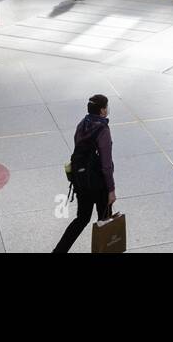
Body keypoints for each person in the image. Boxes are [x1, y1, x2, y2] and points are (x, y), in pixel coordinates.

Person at [53, 94, 116, 253]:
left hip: (82, 181)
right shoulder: (103, 130)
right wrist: (111, 190)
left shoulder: (82, 124)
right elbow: (106, 165)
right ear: (102, 111)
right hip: (99, 185)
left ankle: (59, 251)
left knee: (82, 219)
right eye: (106, 107)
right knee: (105, 220)